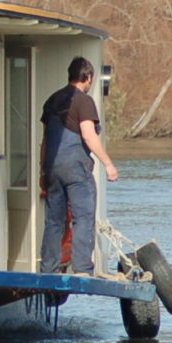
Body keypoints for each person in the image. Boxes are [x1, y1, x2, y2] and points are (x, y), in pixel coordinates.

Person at [39, 56, 118, 275]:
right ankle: (82, 268)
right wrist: (108, 164)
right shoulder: (84, 101)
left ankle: (48, 270)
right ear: (88, 77)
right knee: (83, 218)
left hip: (52, 168)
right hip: (76, 168)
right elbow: (89, 136)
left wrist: (42, 170)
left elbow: (46, 140)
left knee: (54, 221)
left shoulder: (52, 100)